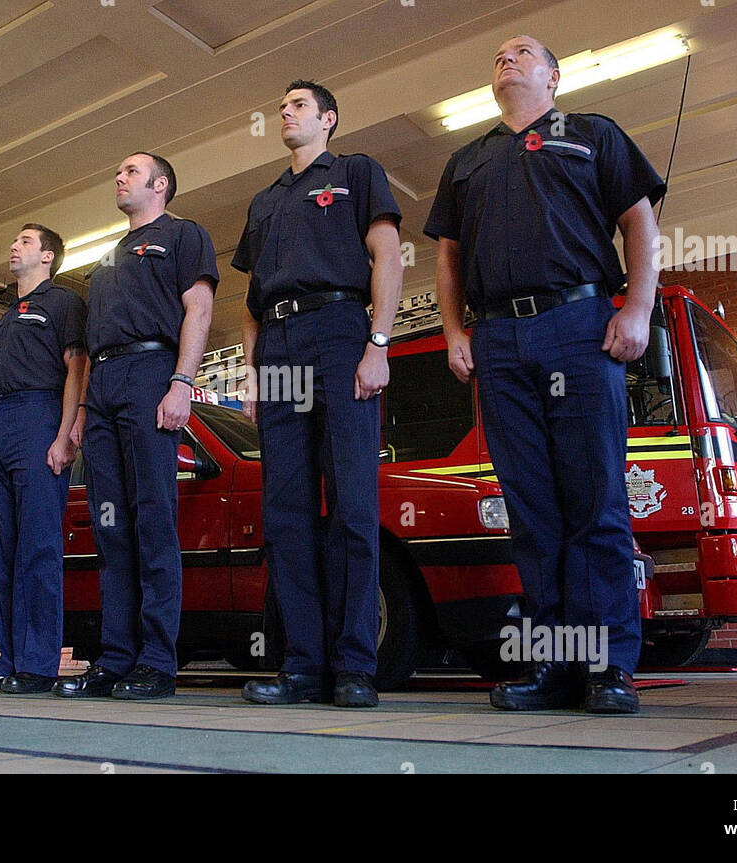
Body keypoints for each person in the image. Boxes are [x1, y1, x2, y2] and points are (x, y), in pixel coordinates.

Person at [424, 35, 664, 714]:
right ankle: (555, 665)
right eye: (498, 53)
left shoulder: (592, 133)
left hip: (579, 324)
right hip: (498, 336)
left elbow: (638, 221)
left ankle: (607, 666)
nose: (507, 57)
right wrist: (453, 331)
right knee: (530, 510)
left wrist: (638, 306)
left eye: (524, 51)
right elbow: (448, 256)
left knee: (594, 501)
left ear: (553, 76)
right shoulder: (466, 159)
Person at [233, 81, 403, 709]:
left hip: (340, 330)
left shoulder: (356, 172)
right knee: (286, 512)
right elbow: (250, 302)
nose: (286, 112)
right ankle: (301, 664)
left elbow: (386, 256)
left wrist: (378, 343)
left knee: (354, 502)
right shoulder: (265, 200)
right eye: (281, 105)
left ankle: (355, 662)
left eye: (299, 105)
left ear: (328, 119)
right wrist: (251, 373)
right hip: (278, 342)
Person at [54, 152, 216, 701]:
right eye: (116, 170)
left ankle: (155, 661)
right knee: (111, 529)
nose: (118, 177)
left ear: (160, 184)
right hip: (103, 383)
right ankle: (116, 657)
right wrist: (78, 413)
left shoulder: (182, 235)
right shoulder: (107, 258)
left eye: (130, 171)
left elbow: (198, 309)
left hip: (152, 371)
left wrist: (181, 383)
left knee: (152, 522)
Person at [0, 226, 86, 695]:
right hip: (4, 423)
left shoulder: (64, 302)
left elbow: (78, 368)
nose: (14, 247)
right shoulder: (5, 316)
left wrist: (65, 434)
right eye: (14, 241)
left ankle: (37, 664)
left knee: (39, 549)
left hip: (40, 415)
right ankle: (8, 659)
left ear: (48, 256)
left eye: (26, 242)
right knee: (5, 551)